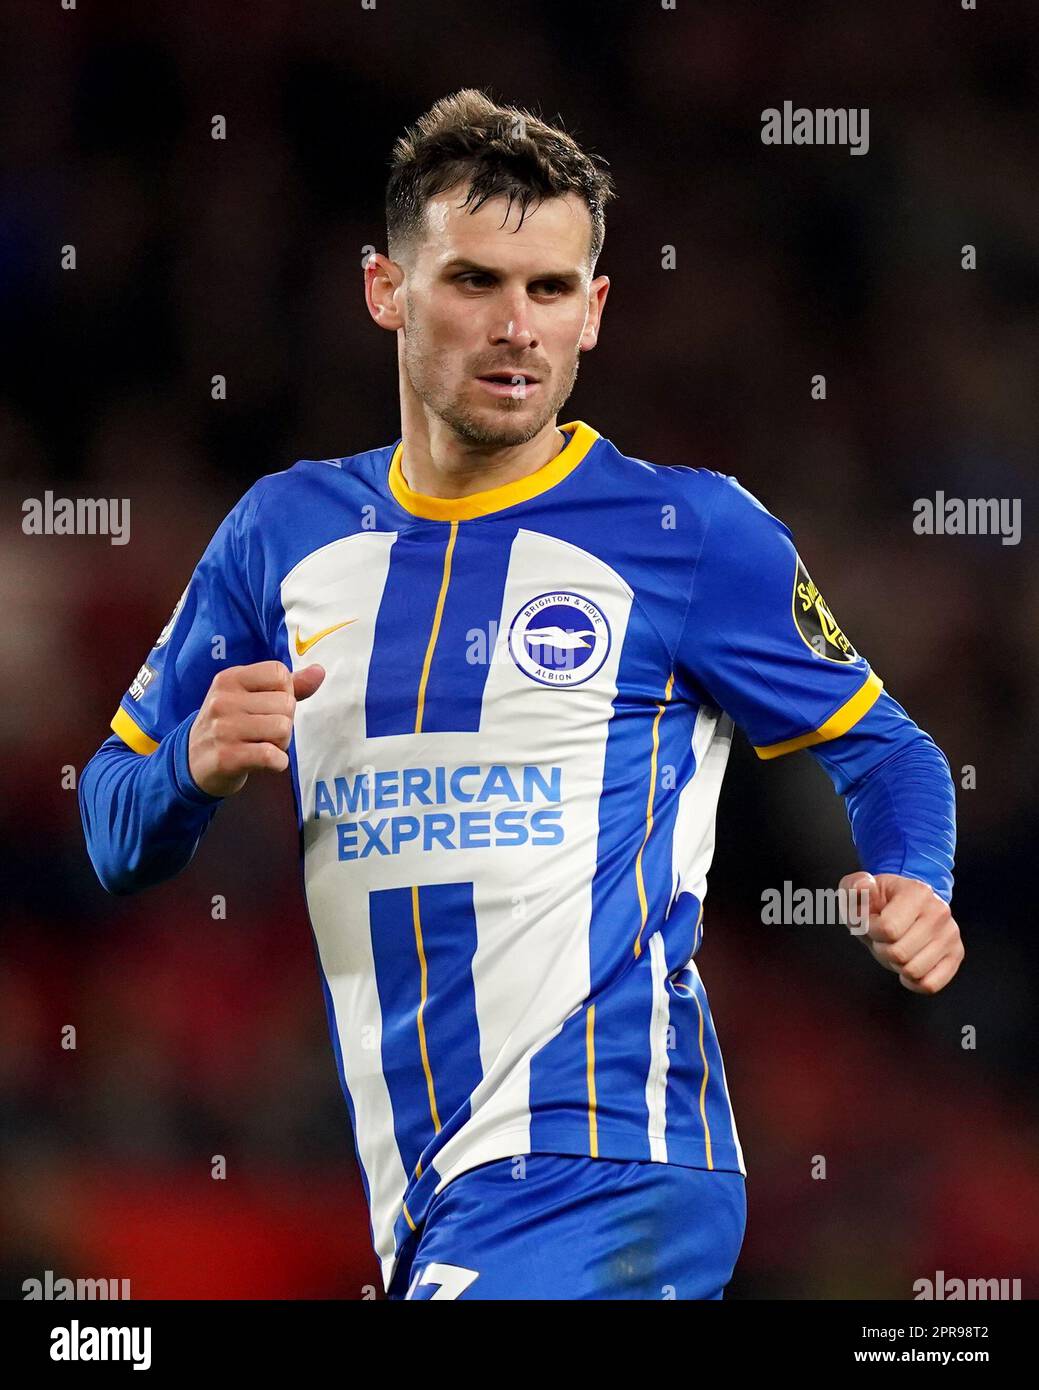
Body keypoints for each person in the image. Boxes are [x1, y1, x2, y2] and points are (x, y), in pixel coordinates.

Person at [80, 88, 961, 1300]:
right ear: (386, 290)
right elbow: (109, 822)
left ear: (594, 312)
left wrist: (916, 875)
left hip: (609, 1159)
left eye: (550, 291)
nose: (517, 327)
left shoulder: (687, 532)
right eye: (475, 282)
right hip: (427, 1196)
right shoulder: (278, 536)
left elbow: (889, 751)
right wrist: (189, 768)